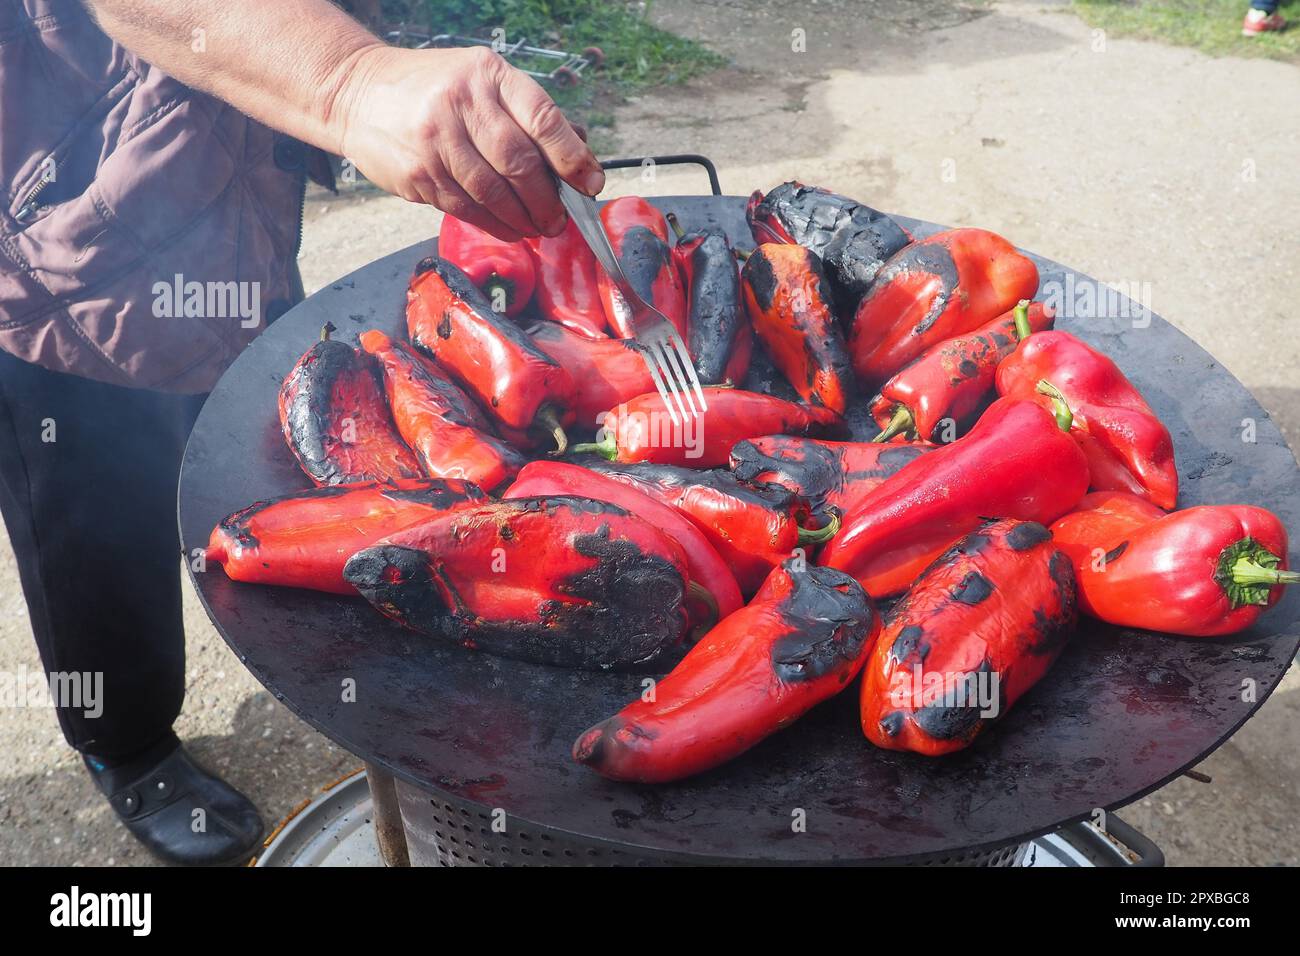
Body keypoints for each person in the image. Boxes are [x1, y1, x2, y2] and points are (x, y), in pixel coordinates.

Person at [0, 0, 603, 865]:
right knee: (91, 517)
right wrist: (350, 81)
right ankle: (125, 740)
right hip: (58, 211)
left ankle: (320, 668)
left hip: (223, 171)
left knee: (284, 453)